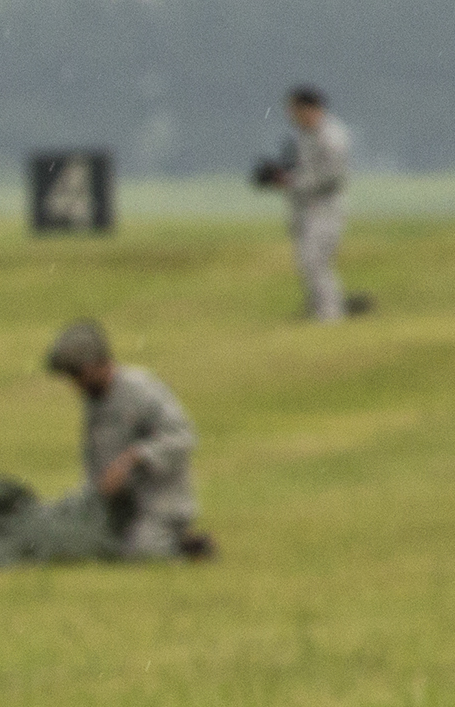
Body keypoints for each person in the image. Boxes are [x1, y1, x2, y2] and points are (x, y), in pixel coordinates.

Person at [45, 319, 211, 560]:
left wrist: (134, 458)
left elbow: (182, 437)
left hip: (158, 504)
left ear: (96, 364)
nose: (75, 385)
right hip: (116, 505)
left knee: (143, 552)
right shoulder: (95, 399)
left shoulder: (142, 390)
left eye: (78, 374)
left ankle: (185, 546)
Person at [252, 84, 355, 321]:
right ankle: (318, 309)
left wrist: (290, 181)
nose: (291, 115)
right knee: (307, 262)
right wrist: (281, 174)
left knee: (315, 261)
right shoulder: (304, 136)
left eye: (295, 110)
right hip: (303, 209)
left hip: (325, 209)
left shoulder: (332, 137)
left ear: (309, 108)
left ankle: (330, 314)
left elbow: (332, 177)